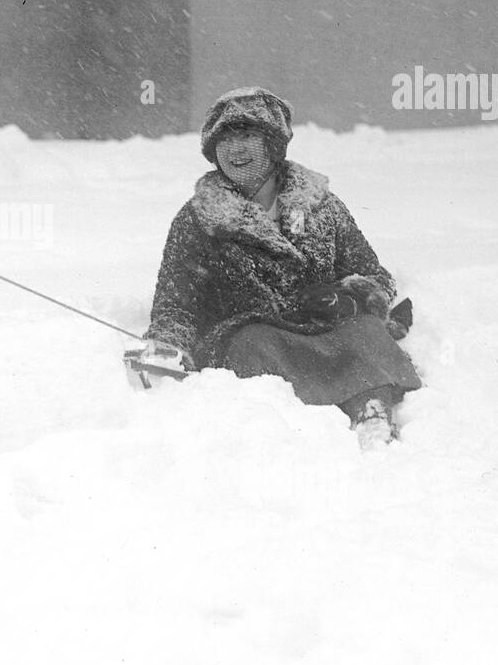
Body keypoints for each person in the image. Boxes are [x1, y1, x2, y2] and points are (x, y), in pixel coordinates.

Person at [143, 87, 420, 444]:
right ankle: (294, 429)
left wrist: (349, 299)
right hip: (254, 338)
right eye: (224, 140)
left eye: (247, 136)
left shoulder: (322, 205)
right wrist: (168, 347)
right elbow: (175, 304)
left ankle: (372, 413)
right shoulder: (198, 219)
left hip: (324, 329)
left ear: (273, 144)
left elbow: (372, 274)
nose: (236, 149)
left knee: (365, 330)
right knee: (254, 345)